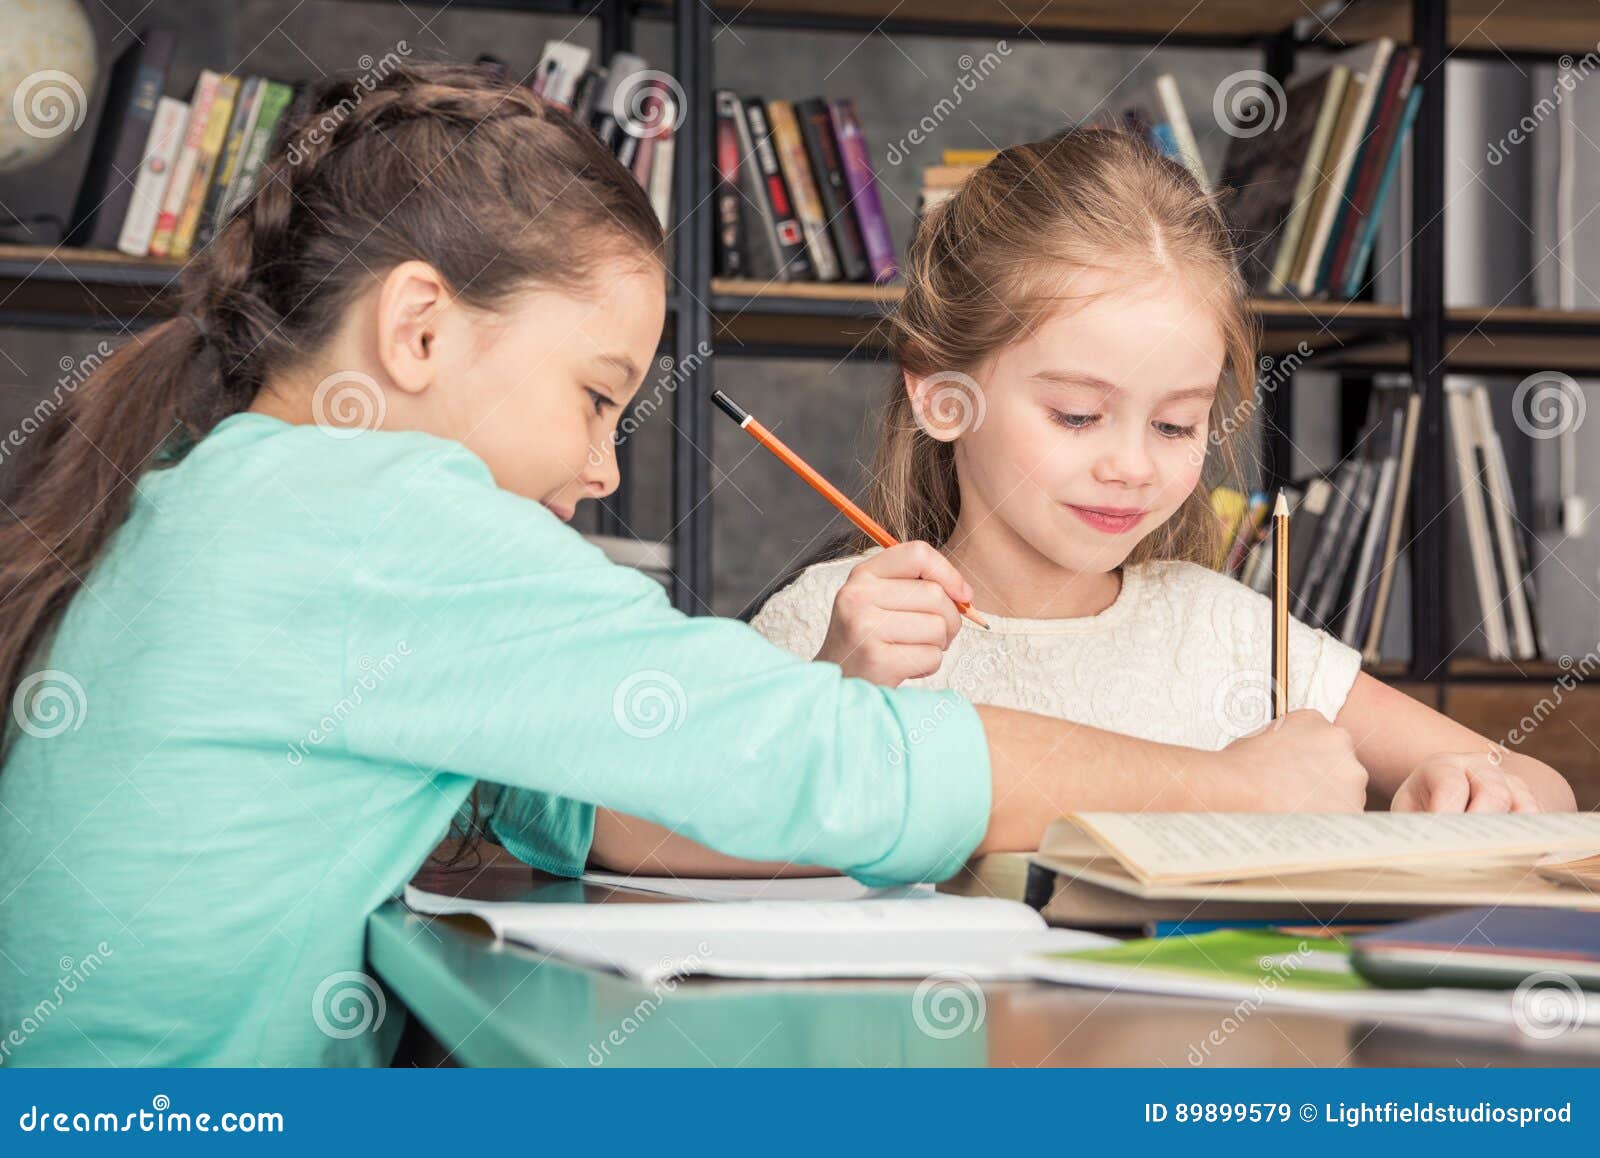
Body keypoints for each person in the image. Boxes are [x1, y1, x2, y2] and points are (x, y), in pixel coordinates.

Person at [0, 67, 1365, 1067]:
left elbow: (601, 805)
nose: (604, 465)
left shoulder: (248, 491)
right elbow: (833, 757)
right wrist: (1229, 791)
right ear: (418, 331)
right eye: (597, 394)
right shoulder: (372, 508)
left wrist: (787, 747)